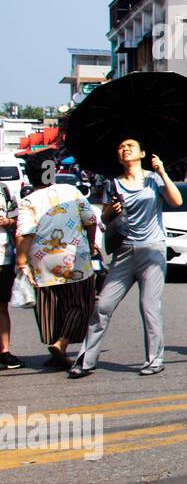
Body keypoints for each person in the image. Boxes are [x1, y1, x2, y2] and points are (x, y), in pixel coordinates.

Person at [70, 139, 181, 378]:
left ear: (142, 152)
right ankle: (86, 360)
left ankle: (154, 359)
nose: (125, 149)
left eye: (130, 145)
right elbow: (105, 218)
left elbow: (177, 201)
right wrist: (112, 209)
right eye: (120, 147)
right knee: (103, 305)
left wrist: (162, 170)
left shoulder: (154, 178)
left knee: (149, 306)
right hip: (124, 251)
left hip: (152, 250)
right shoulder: (113, 183)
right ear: (118, 156)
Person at [15, 155, 99, 370]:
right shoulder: (71, 191)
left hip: (42, 262)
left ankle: (55, 351)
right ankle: (61, 343)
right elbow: (91, 220)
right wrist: (90, 245)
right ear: (52, 172)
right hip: (75, 258)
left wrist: (21, 260)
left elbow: (25, 233)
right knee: (81, 304)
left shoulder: (29, 201)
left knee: (49, 307)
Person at [0, 179, 22, 369]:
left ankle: (4, 352)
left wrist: (8, 221)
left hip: (4, 257)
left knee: (2, 307)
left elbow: (18, 219)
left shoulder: (4, 190)